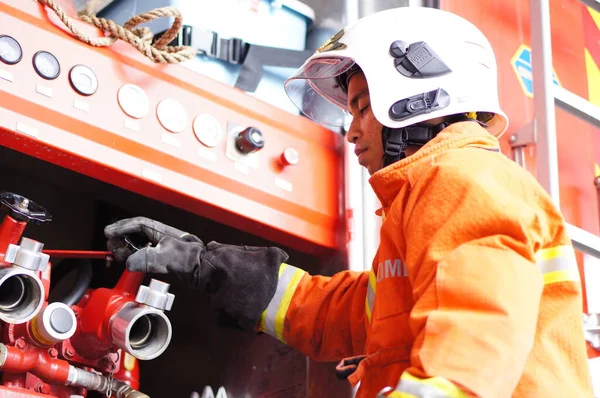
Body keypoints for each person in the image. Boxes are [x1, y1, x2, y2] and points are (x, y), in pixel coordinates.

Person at [104, 7, 594, 398]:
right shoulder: (432, 199)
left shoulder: (463, 180)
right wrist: (204, 263)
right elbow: (344, 314)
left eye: (362, 107)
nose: (352, 131)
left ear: (421, 100)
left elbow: (474, 341)